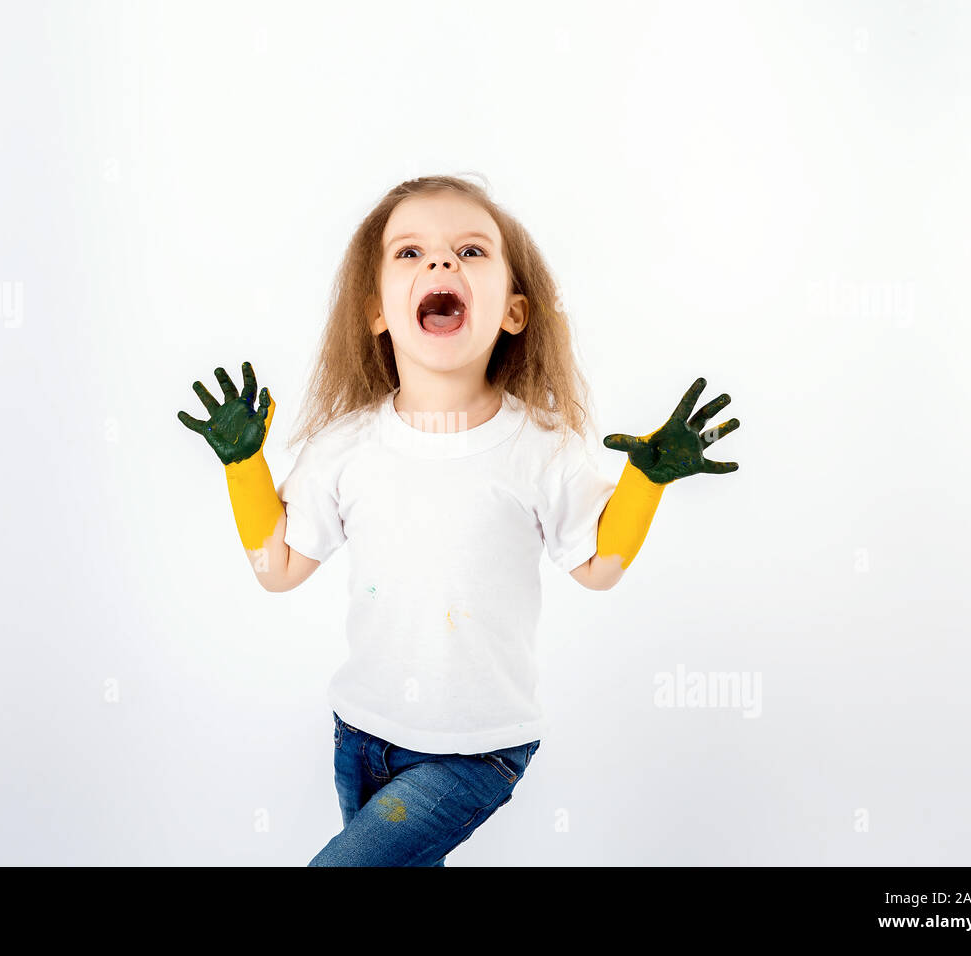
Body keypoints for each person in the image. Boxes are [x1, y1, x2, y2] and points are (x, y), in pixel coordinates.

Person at [177, 174, 741, 866]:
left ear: (513, 311)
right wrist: (244, 465)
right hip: (360, 734)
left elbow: (598, 567)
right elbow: (279, 569)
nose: (441, 263)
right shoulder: (345, 447)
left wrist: (645, 483)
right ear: (377, 311)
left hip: (477, 751)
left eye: (471, 252)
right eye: (409, 254)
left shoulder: (542, 449)